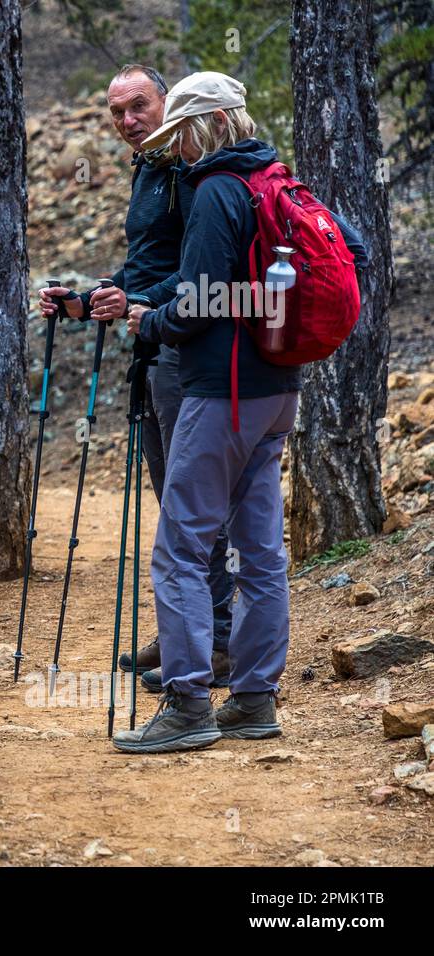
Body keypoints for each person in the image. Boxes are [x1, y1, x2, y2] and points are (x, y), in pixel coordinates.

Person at [108, 72, 369, 753]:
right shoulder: (278, 181)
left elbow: (195, 302)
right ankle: (254, 700)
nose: (178, 147)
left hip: (219, 394)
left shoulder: (218, 189)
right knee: (259, 552)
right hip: (279, 390)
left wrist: (148, 321)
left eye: (180, 132)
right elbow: (356, 251)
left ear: (209, 126)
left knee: (183, 548)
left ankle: (189, 704)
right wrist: (262, 310)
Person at [39, 64, 233, 691]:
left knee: (195, 499)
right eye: (117, 111)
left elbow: (202, 272)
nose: (128, 121)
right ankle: (190, 629)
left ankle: (220, 638)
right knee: (174, 496)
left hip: (190, 347)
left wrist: (132, 303)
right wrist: (90, 298)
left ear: (167, 102)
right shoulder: (149, 168)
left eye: (139, 106)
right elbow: (146, 264)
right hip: (154, 346)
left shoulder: (188, 167)